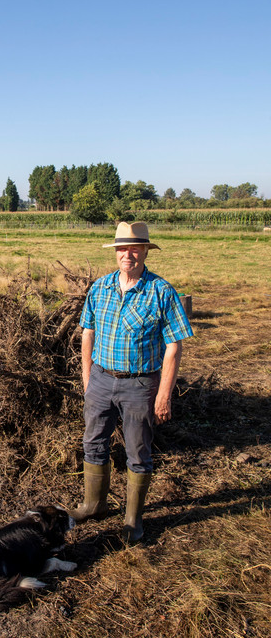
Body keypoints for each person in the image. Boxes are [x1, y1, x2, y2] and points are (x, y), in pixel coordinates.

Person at [71, 221, 193, 542]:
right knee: (93, 442)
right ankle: (94, 504)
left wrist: (164, 393)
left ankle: (132, 521)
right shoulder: (100, 288)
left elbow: (174, 346)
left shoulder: (161, 291)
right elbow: (88, 334)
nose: (128, 255)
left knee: (138, 451)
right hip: (100, 378)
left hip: (140, 385)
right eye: (123, 249)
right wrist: (88, 380)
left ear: (144, 252)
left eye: (135, 249)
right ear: (116, 253)